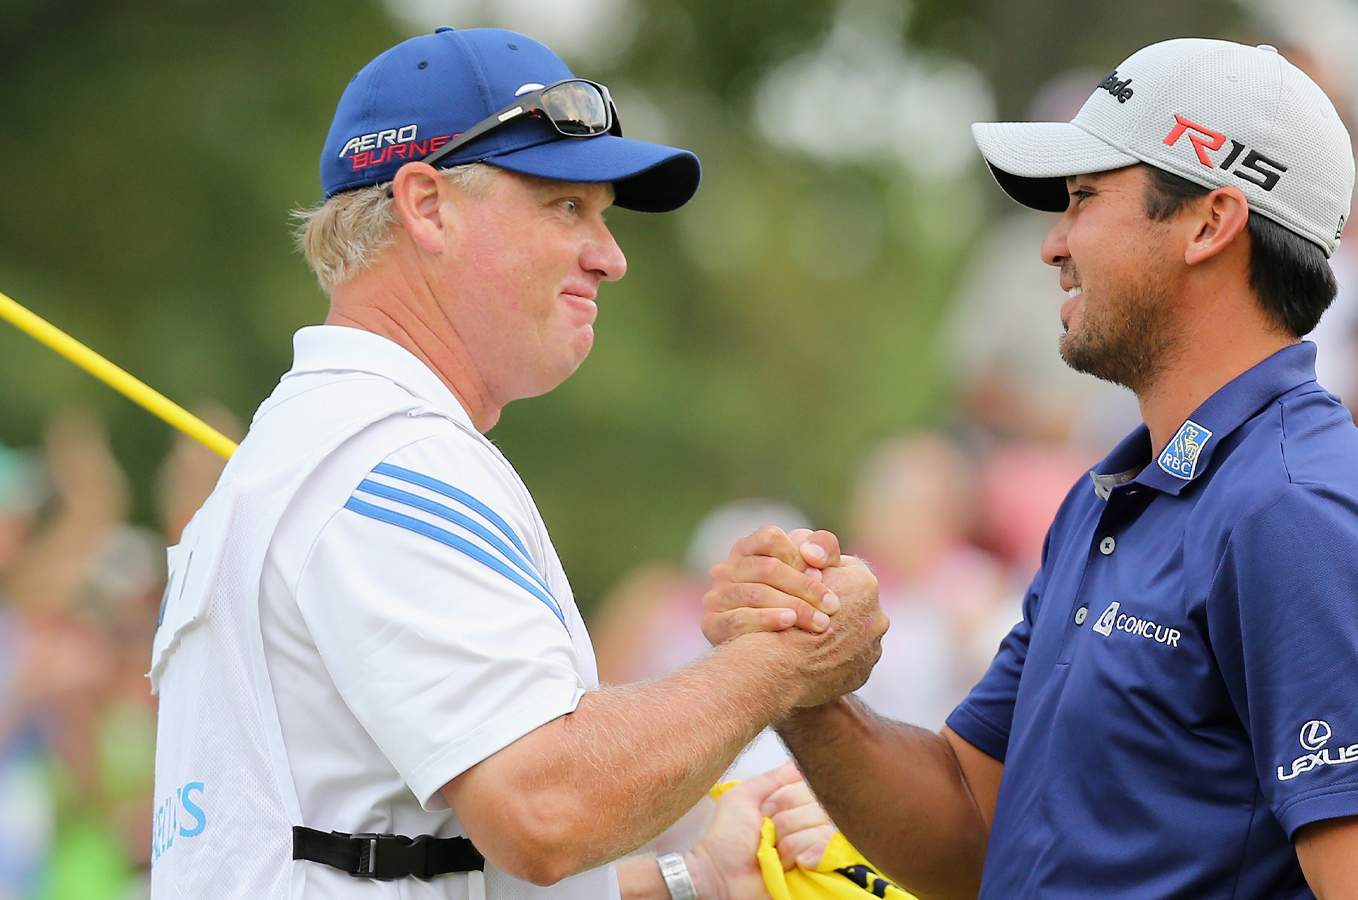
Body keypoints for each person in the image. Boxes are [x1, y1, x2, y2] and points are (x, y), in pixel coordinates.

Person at [704, 38, 1358, 899]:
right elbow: (973, 826)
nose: (1051, 244)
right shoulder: (1121, 494)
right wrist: (802, 681)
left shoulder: (1300, 509)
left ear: (1210, 223)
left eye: (1084, 199)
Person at [149, 26, 885, 900]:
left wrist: (698, 879)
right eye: (564, 206)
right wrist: (786, 661)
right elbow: (544, 810)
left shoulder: (315, 446)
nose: (609, 257)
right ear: (426, 206)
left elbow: (404, 850)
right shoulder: (394, 458)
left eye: (602, 216)